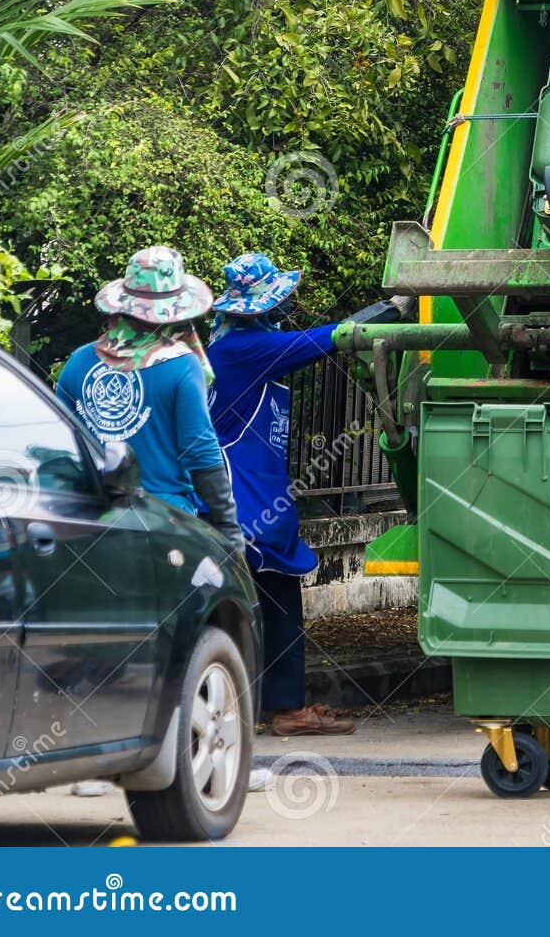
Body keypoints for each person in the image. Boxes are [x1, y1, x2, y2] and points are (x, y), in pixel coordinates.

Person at [56, 246, 244, 797]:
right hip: (163, 526)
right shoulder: (182, 370)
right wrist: (229, 531)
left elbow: (60, 444)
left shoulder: (77, 363)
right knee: (183, 647)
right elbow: (203, 454)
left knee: (97, 644)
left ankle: (92, 764)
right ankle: (195, 761)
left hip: (87, 523)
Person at [206, 253, 354, 738]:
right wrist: (391, 310)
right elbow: (321, 341)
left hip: (253, 498)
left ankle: (275, 705)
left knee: (272, 606)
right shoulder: (246, 349)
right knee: (269, 606)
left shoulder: (229, 346)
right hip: (246, 505)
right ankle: (278, 709)